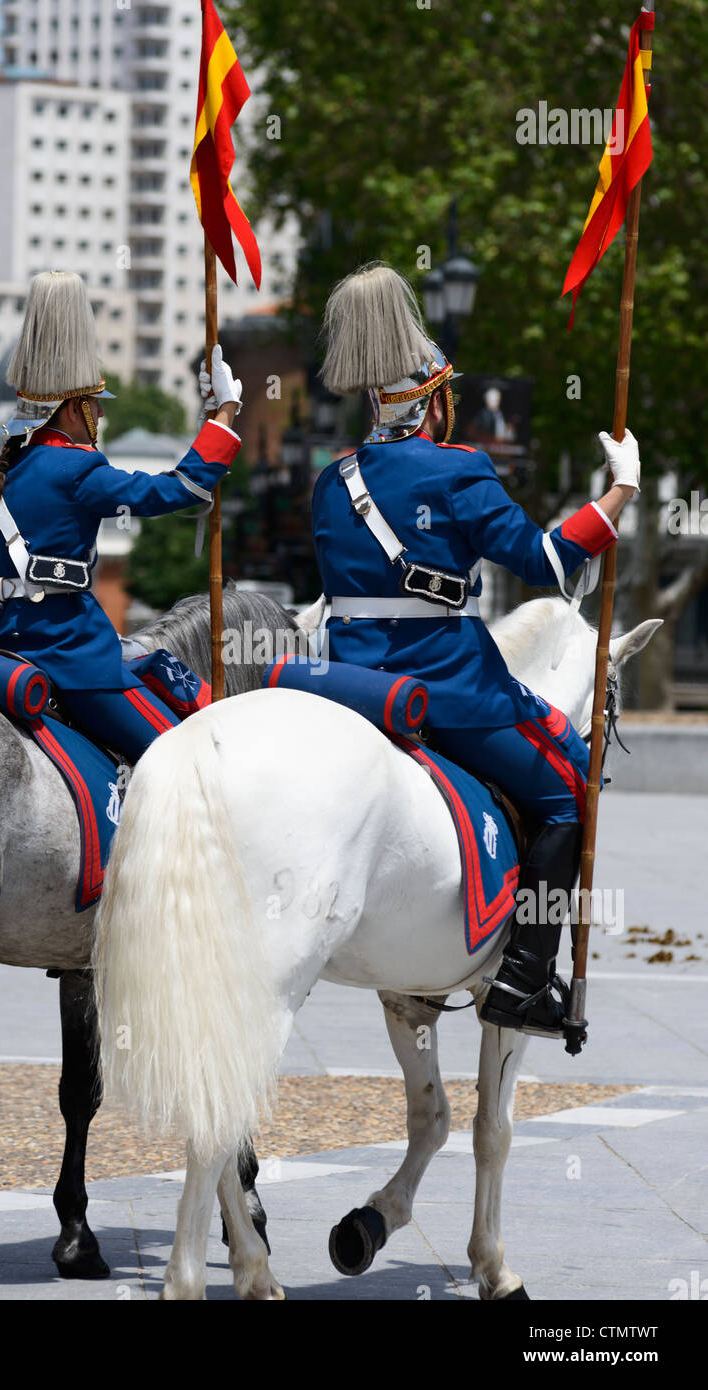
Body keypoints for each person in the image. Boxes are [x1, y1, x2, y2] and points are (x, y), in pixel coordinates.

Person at [312, 262, 639, 1038]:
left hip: (349, 683)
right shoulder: (458, 471)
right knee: (566, 793)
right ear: (432, 397)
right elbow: (549, 565)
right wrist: (617, 492)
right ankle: (523, 983)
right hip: (447, 688)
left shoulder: (332, 480)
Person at [0, 269, 243, 763]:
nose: (97, 413)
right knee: (172, 763)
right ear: (76, 408)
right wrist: (223, 413)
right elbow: (177, 489)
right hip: (70, 654)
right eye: (94, 403)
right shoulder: (79, 468)